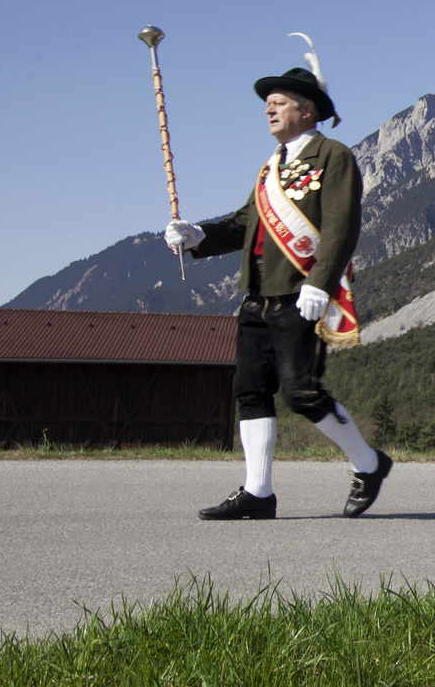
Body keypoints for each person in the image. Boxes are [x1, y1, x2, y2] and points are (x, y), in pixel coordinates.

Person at [166, 46, 391, 520]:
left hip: (301, 294)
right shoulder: (271, 167)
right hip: (259, 296)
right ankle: (258, 492)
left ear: (307, 109)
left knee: (302, 392)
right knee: (250, 391)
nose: (269, 107)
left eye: (279, 100)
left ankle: (369, 465)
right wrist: (197, 236)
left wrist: (320, 282)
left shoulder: (334, 156)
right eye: (267, 102)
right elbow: (246, 222)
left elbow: (341, 225)